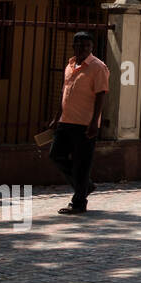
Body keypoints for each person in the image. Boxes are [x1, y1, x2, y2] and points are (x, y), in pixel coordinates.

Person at [45, 31, 109, 215]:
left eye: (87, 46)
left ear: (92, 47)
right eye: (79, 45)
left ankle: (79, 202)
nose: (83, 49)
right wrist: (57, 117)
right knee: (55, 155)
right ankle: (85, 185)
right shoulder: (70, 65)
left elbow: (100, 95)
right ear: (74, 46)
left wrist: (94, 122)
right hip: (66, 121)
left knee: (81, 163)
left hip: (84, 123)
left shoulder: (98, 67)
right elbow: (65, 93)